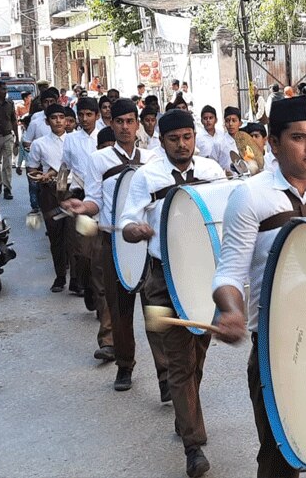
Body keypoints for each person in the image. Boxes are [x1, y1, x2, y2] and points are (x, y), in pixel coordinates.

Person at [210, 95, 306, 478]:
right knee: (279, 458)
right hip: (274, 346)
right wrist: (231, 309)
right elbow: (229, 273)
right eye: (299, 138)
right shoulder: (249, 196)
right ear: (273, 142)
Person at [119, 110, 225, 478]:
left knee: (197, 354)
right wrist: (136, 230)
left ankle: (186, 415)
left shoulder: (213, 172)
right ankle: (193, 447)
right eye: (173, 139)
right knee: (179, 361)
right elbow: (127, 221)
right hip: (164, 277)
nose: (182, 145)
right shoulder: (147, 176)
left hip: (206, 275)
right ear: (161, 141)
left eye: (186, 137)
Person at [61, 99, 168, 396]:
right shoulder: (99, 159)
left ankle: (165, 377)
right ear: (111, 124)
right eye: (119, 121)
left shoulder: (152, 159)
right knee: (120, 310)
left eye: (130, 121)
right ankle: (124, 365)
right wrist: (83, 207)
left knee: (155, 310)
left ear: (138, 124)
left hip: (147, 243)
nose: (125, 126)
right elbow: (95, 200)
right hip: (114, 242)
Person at [61, 97, 113, 359]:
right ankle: (90, 289)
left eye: (89, 114)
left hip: (110, 212)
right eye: (81, 114)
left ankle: (110, 339)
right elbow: (66, 168)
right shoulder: (71, 139)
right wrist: (64, 189)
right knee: (82, 254)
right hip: (83, 197)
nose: (85, 118)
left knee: (103, 271)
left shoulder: (108, 136)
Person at [27, 104, 71, 292]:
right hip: (50, 192)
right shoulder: (40, 144)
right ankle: (60, 277)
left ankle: (76, 279)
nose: (59, 121)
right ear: (47, 121)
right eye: (54, 118)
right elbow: (32, 169)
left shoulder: (75, 140)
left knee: (74, 237)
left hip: (73, 190)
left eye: (62, 117)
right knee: (55, 235)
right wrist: (41, 176)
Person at [196, 105, 229, 169]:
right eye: (205, 118)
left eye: (211, 118)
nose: (208, 120)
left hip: (222, 171)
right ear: (201, 121)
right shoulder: (197, 138)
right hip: (204, 170)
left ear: (216, 120)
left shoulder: (222, 135)